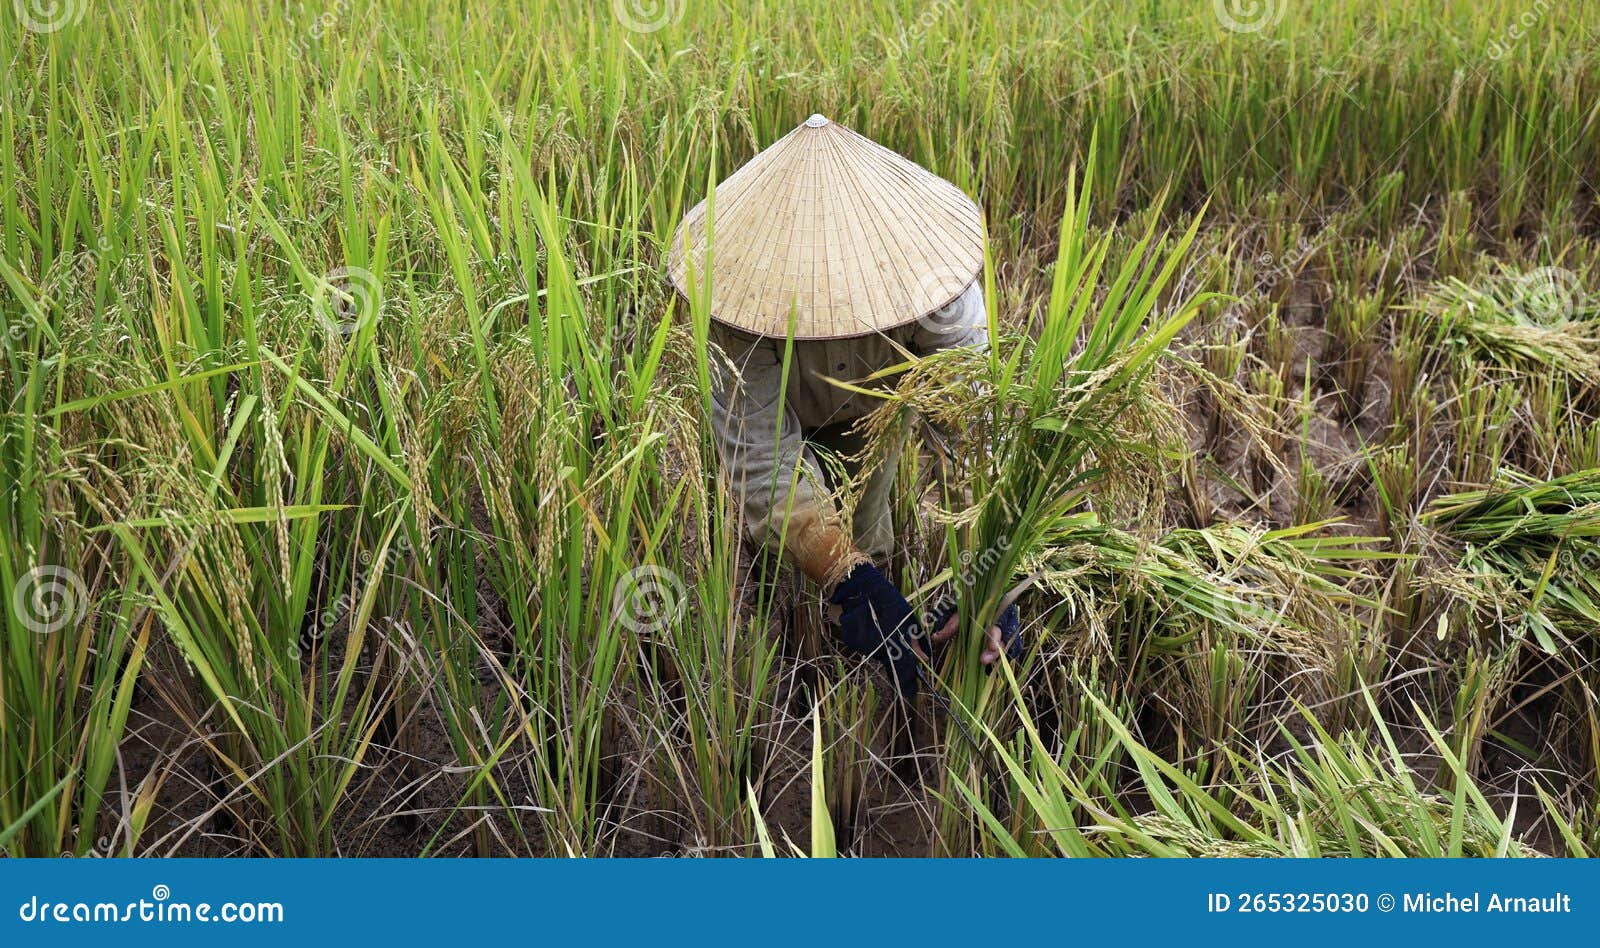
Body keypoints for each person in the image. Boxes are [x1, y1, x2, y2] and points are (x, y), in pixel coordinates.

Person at [668, 115, 1020, 697]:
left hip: (875, 411)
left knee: (866, 539)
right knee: (779, 558)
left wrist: (992, 571)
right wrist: (843, 576)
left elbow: (973, 429)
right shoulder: (737, 306)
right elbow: (762, 465)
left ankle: (862, 678)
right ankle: (789, 660)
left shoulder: (934, 284)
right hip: (780, 410)